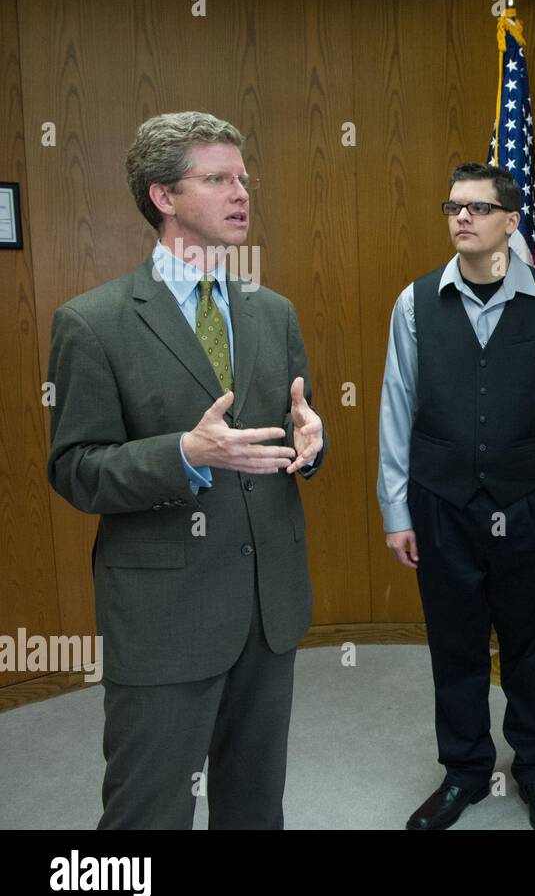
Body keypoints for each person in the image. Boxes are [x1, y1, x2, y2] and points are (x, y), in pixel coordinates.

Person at [46, 111, 326, 829]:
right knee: (148, 814)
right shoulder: (93, 322)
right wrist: (183, 454)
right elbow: (77, 469)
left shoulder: (275, 312)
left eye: (243, 178)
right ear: (163, 196)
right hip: (165, 617)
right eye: (218, 179)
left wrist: (311, 443)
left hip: (269, 607)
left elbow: (290, 433)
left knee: (255, 807)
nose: (242, 193)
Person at [378, 162, 535, 830]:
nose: (462, 218)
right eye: (453, 207)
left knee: (533, 643)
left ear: (511, 219)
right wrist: (397, 511)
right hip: (441, 503)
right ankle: (466, 771)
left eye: (477, 207)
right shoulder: (414, 302)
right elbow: (397, 408)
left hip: (533, 503)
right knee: (455, 641)